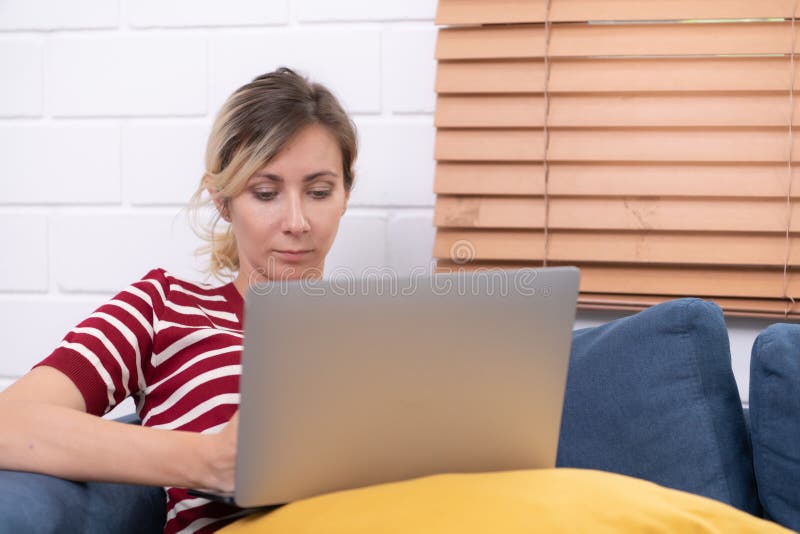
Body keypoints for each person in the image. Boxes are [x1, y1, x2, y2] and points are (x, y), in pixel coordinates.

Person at [0, 67, 357, 533]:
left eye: (319, 192)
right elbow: (11, 422)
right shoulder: (164, 307)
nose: (297, 221)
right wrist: (209, 462)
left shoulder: (377, 335)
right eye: (266, 193)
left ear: (346, 193)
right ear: (223, 201)